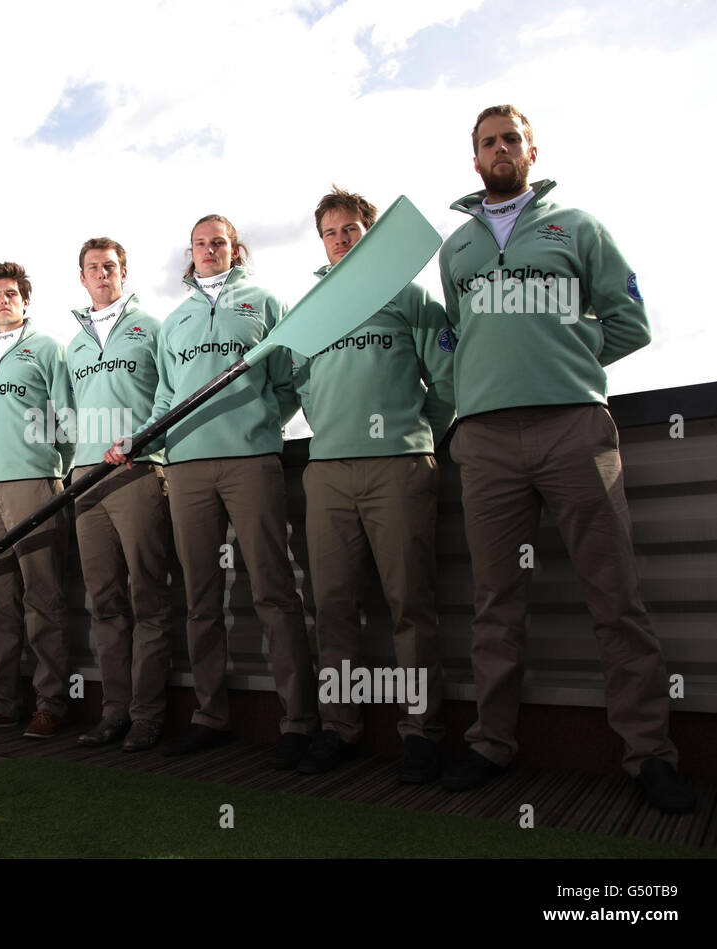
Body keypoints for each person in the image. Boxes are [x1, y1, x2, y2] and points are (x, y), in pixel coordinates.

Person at [437, 104, 694, 813]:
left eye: (511, 139)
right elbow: (460, 340)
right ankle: (491, 741)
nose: (500, 149)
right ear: (474, 157)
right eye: (488, 141)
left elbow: (630, 321)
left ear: (532, 149)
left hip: (574, 428)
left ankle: (649, 754)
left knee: (615, 594)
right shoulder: (454, 248)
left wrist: (565, 366)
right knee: (496, 602)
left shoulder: (577, 227)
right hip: (484, 439)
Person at [106, 214, 316, 764]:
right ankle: (209, 715)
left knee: (274, 589)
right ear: (190, 253)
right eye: (199, 244)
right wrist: (142, 441)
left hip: (252, 462)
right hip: (188, 469)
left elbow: (289, 383)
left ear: (235, 249)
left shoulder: (267, 303)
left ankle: (297, 720)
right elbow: (165, 400)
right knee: (201, 599)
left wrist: (262, 425)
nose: (208, 250)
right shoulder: (174, 320)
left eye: (217, 242)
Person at [292, 187, 454, 781]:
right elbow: (302, 385)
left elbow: (448, 379)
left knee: (410, 605)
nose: (342, 239)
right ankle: (339, 726)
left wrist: (414, 440)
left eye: (353, 229)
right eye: (332, 232)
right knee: (332, 606)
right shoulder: (310, 306)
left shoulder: (409, 296)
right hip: (329, 472)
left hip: (400, 467)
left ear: (371, 232)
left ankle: (420, 733)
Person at [0, 262, 76, 738]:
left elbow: (67, 418)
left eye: (12, 294)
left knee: (43, 598)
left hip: (32, 483)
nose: (4, 301)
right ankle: (0, 701)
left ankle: (51, 704)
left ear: (25, 301)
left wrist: (55, 468)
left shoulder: (48, 347)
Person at [67, 239, 174, 753]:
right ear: (82, 278)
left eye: (110, 266)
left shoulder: (152, 326)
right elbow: (67, 412)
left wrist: (145, 441)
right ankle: (113, 713)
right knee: (104, 601)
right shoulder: (75, 344)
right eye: (92, 268)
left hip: (138, 469)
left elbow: (169, 396)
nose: (102, 274)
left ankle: (148, 715)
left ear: (124, 272)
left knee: (148, 597)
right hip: (86, 480)